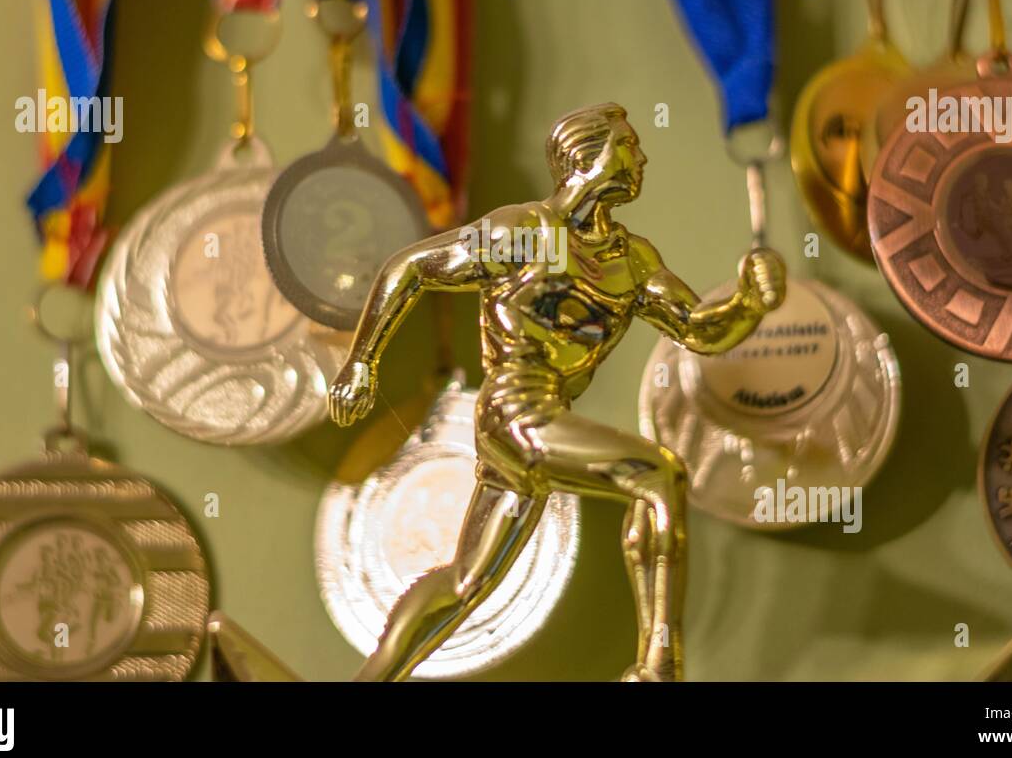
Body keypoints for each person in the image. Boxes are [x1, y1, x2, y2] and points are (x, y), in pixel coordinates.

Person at [328, 103, 785, 681]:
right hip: (514, 411)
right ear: (585, 157)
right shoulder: (530, 234)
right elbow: (411, 267)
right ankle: (657, 667)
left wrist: (750, 301)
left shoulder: (631, 261)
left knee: (465, 583)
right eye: (629, 145)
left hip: (542, 423)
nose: (641, 157)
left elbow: (699, 329)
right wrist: (361, 363)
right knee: (658, 476)